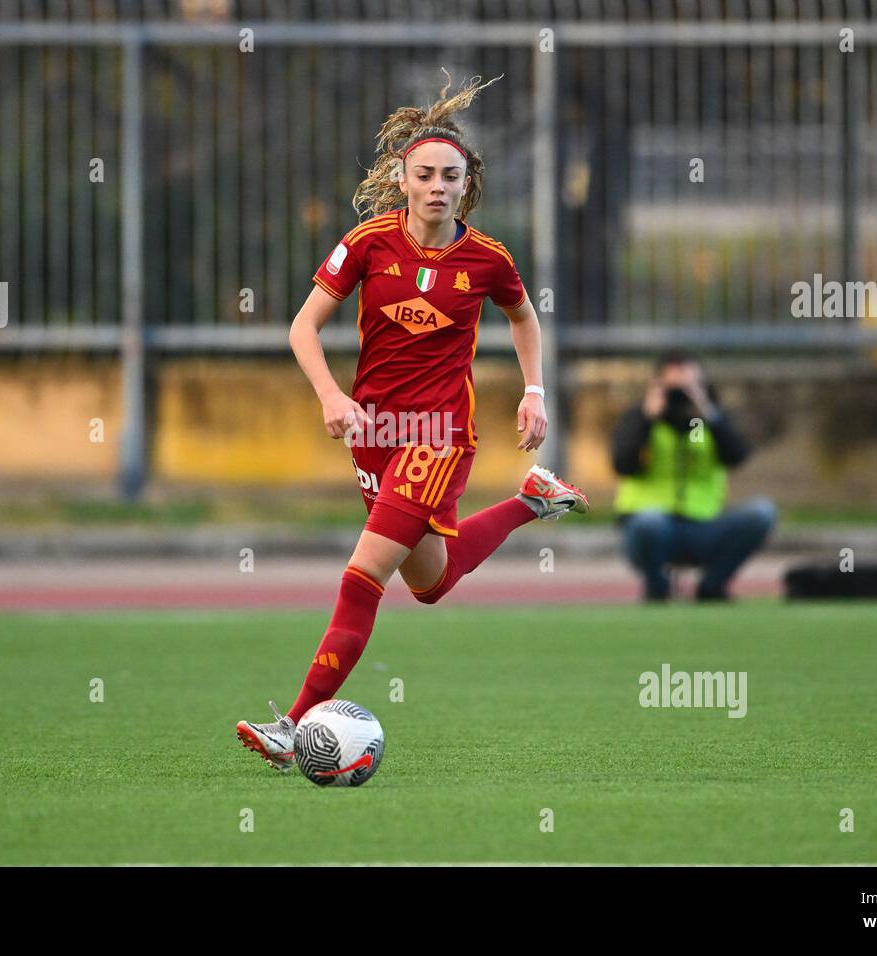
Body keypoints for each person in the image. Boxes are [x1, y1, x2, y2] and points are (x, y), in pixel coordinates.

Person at [236, 72, 589, 772]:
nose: (436, 185)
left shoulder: (488, 260)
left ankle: (294, 723)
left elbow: (523, 315)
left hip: (438, 437)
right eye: (424, 173)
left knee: (361, 577)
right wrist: (332, 397)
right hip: (374, 435)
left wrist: (534, 390)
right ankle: (530, 499)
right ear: (402, 177)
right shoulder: (367, 244)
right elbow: (303, 328)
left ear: (466, 185)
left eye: (449, 176)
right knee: (429, 582)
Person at [611, 350, 776, 602]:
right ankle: (657, 588)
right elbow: (622, 463)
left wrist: (709, 414)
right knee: (649, 523)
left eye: (688, 387)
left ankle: (712, 587)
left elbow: (738, 455)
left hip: (704, 526)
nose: (680, 396)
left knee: (762, 513)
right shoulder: (637, 419)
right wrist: (647, 418)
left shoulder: (712, 419)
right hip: (653, 529)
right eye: (673, 388)